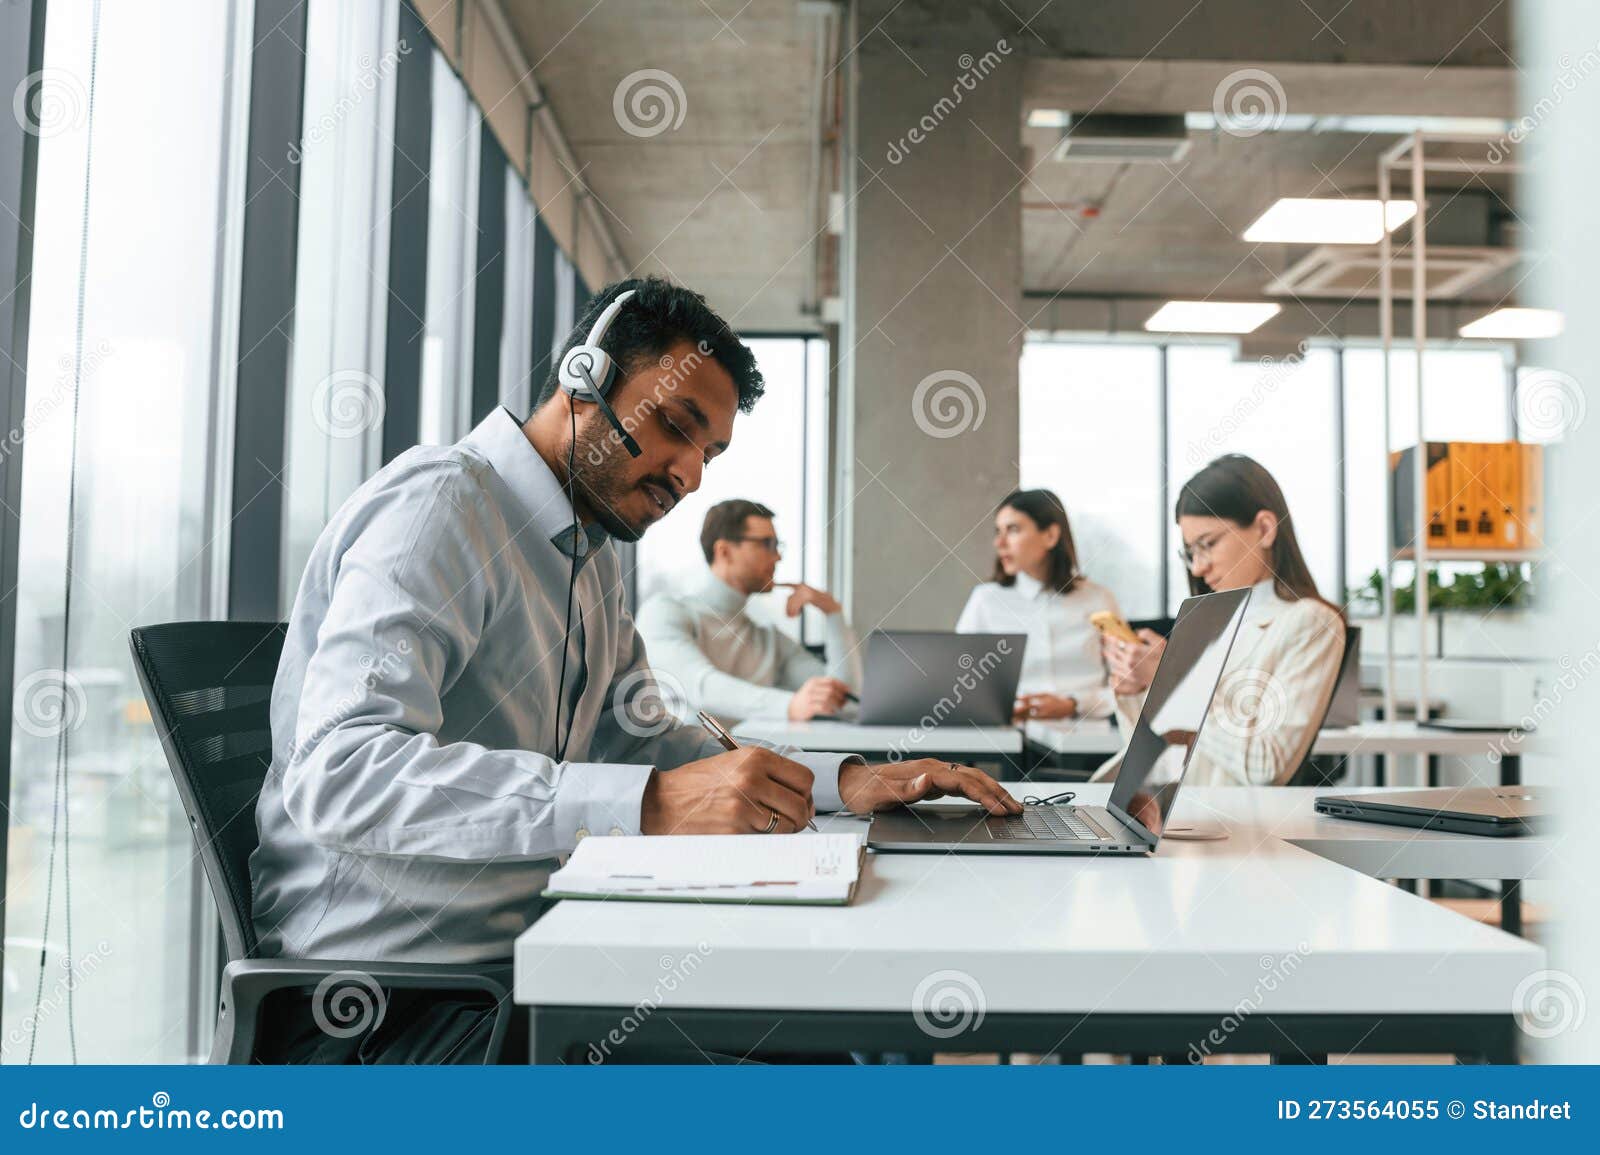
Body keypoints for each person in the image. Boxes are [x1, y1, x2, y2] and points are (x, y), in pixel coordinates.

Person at [249, 276, 1020, 1062]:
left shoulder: (588, 557)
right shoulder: (441, 508)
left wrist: (841, 780)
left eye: (708, 454)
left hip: (536, 960)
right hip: (388, 1009)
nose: (690, 475)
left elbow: (643, 733)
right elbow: (340, 770)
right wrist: (650, 801)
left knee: (819, 1045)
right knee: (806, 1069)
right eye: (675, 426)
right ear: (583, 379)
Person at [1099, 454, 1345, 787]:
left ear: (1265, 529)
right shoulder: (1204, 622)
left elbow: (1267, 766)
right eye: (1191, 552)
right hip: (1162, 805)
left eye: (1208, 544)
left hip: (1226, 816)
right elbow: (1162, 759)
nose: (1198, 567)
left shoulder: (1311, 623)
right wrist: (1140, 689)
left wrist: (1171, 682)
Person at [636, 500, 861, 723]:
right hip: (683, 749)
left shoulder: (768, 639)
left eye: (777, 545)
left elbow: (845, 699)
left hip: (756, 748)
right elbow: (700, 687)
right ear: (724, 551)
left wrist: (833, 613)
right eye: (767, 544)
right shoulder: (663, 613)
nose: (778, 557)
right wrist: (790, 706)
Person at [956, 488, 1122, 723]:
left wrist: (1074, 704)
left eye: (1013, 530)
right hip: (1012, 736)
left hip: (1089, 736)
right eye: (998, 532)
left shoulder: (1099, 599)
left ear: (1050, 536)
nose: (999, 543)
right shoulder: (985, 601)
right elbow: (959, 684)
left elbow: (1128, 684)